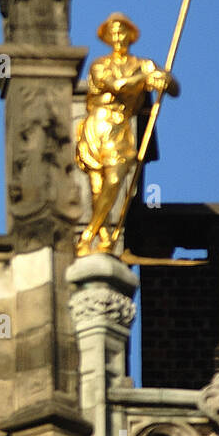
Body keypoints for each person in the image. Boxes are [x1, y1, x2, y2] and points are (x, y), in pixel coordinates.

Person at [75, 13, 179, 255]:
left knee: (114, 180)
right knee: (97, 188)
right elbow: (117, 86)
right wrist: (146, 79)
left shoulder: (142, 64)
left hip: (120, 127)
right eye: (113, 32)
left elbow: (174, 88)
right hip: (97, 123)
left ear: (131, 35)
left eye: (122, 31)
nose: (118, 36)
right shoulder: (100, 64)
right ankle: (104, 240)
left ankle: (88, 234)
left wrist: (164, 79)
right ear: (107, 38)